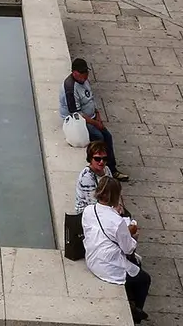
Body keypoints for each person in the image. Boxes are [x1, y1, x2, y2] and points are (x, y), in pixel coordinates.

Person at [81, 178, 149, 321]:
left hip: (92, 259)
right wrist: (133, 235)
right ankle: (137, 312)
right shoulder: (117, 222)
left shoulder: (88, 210)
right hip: (109, 267)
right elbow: (128, 248)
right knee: (144, 279)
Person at [60, 57, 124, 177]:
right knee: (98, 137)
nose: (86, 75)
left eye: (86, 72)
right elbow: (77, 114)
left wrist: (98, 115)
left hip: (92, 117)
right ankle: (98, 167)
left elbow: (91, 100)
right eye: (83, 73)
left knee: (108, 136)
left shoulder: (84, 81)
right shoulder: (70, 88)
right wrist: (95, 123)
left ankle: (112, 168)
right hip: (78, 122)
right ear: (75, 73)